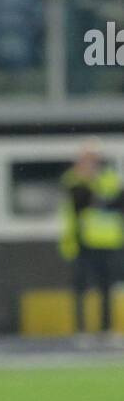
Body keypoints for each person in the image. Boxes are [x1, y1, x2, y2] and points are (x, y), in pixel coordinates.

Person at [60, 141, 124, 340]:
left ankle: (105, 330)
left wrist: (97, 197)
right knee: (81, 286)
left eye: (92, 159)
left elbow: (116, 203)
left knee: (106, 287)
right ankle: (81, 330)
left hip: (108, 242)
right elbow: (79, 201)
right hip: (82, 241)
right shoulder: (72, 179)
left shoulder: (109, 178)